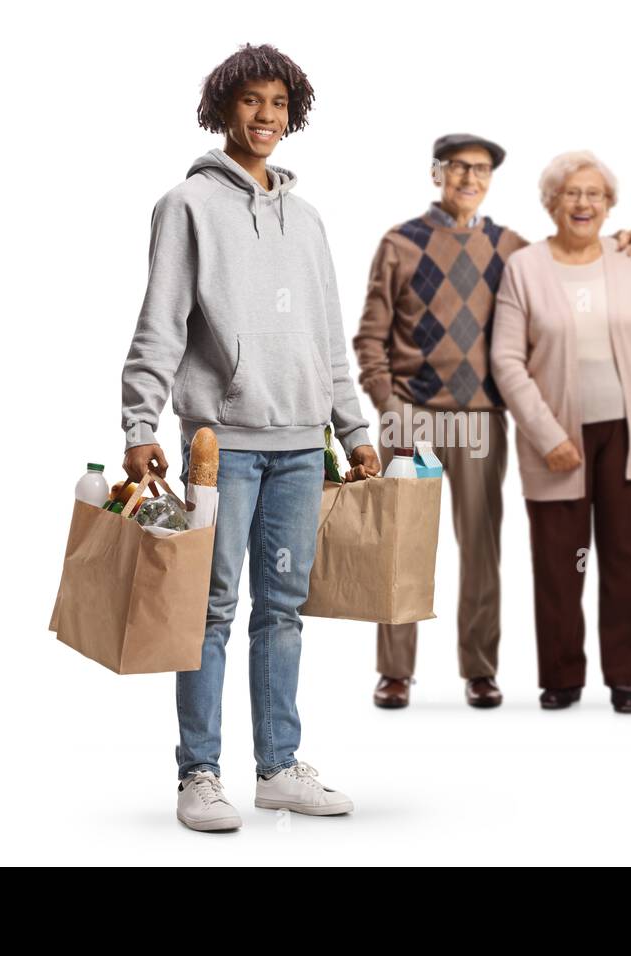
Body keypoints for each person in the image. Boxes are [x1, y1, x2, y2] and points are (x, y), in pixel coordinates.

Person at [119, 44, 380, 831]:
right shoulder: (187, 205)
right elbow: (160, 325)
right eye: (250, 102)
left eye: (278, 104)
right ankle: (199, 773)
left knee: (284, 609)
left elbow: (330, 341)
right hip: (219, 448)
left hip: (304, 448)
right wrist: (139, 423)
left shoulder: (307, 220)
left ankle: (277, 768)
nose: (265, 117)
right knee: (209, 608)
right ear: (222, 108)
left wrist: (354, 427)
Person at [353, 133, 631, 710]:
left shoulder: (510, 247)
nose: (470, 179)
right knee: (401, 544)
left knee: (482, 548)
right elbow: (371, 336)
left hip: (482, 418)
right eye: (460, 168)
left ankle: (479, 668)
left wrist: (622, 239)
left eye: (482, 171)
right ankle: (395, 670)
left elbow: (567, 255)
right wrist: (387, 406)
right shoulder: (400, 243)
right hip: (411, 416)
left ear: (491, 180)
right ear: (438, 172)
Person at [489, 150, 631, 714]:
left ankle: (628, 676)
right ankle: (561, 676)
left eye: (595, 194)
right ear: (552, 203)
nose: (583, 203)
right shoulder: (526, 268)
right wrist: (548, 436)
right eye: (571, 193)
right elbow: (507, 361)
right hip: (558, 435)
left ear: (609, 205)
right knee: (562, 560)